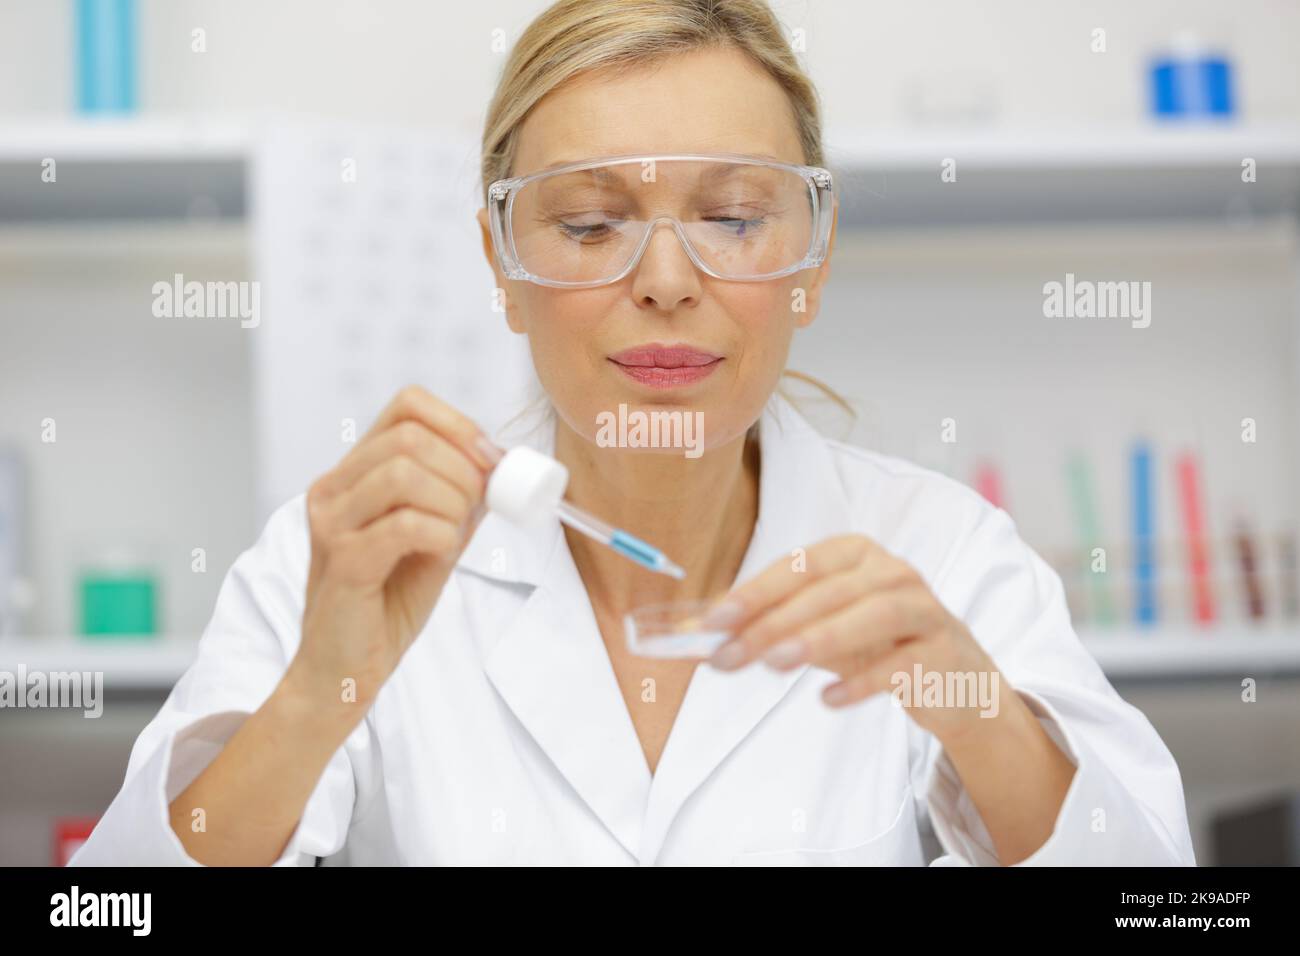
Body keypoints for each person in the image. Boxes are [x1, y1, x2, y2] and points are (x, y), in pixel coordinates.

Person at [73, 0, 1194, 866]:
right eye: (591, 221)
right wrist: (323, 689)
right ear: (502, 265)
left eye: (734, 216)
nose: (665, 280)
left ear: (813, 256)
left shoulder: (944, 554)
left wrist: (975, 706)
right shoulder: (345, 567)